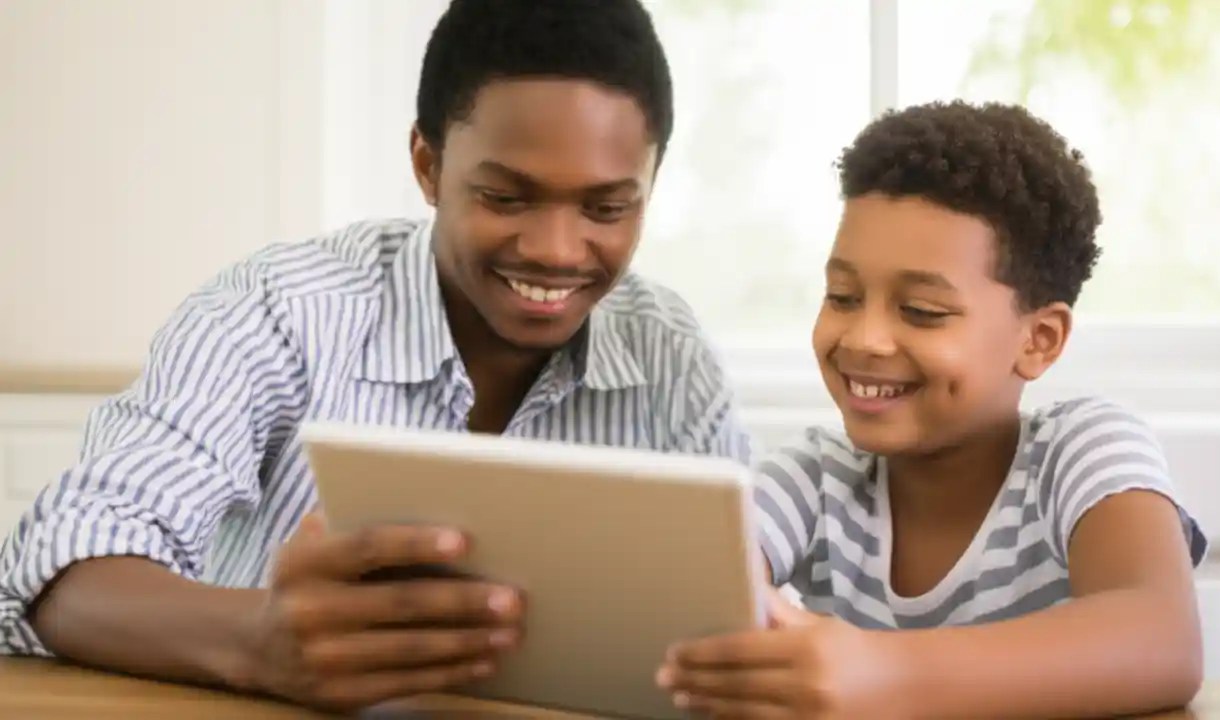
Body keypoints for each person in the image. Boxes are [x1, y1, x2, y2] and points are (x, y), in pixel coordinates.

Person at [0, 0, 751, 711]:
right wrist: (259, 642)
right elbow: (65, 573)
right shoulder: (280, 310)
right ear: (427, 165)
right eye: (505, 197)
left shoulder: (671, 359)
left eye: (606, 208)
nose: (555, 250)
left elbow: (741, 630)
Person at [657, 101, 1207, 718]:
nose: (864, 338)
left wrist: (882, 672)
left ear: (1038, 340)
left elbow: (1160, 639)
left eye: (921, 311)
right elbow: (678, 602)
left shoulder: (1082, 450)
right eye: (843, 296)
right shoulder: (813, 480)